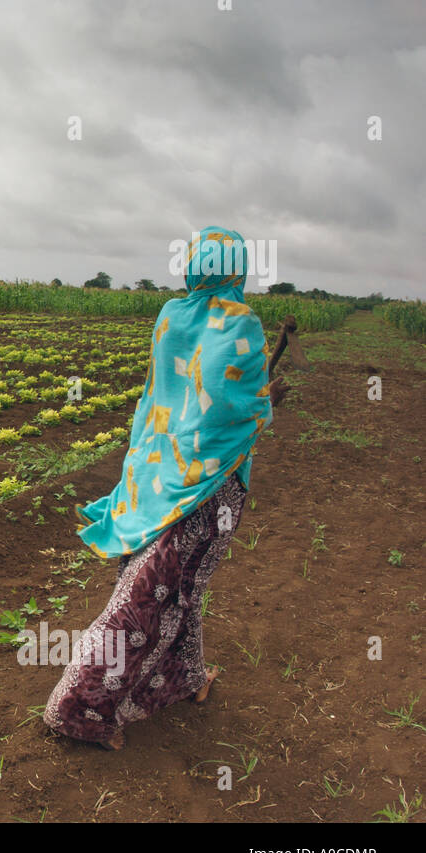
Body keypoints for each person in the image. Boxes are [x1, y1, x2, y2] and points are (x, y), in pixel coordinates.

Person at [44, 227, 289, 750]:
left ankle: (186, 679)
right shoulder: (242, 323)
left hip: (155, 478)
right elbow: (237, 406)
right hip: (209, 486)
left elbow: (170, 395)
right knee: (147, 599)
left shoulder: (170, 317)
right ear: (237, 269)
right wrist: (265, 404)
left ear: (194, 266)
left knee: (179, 590)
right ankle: (78, 707)